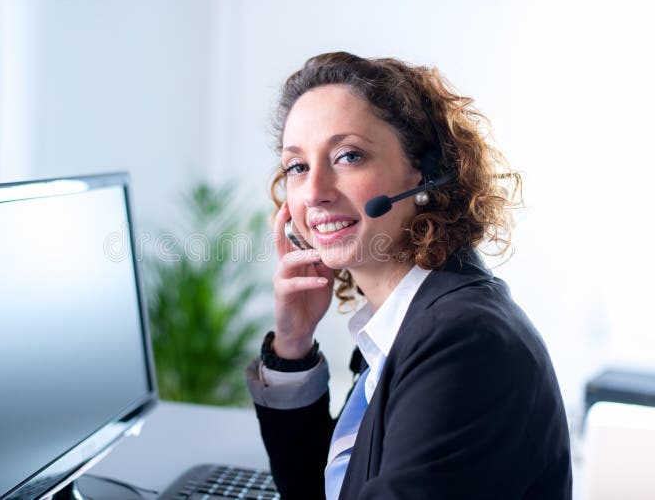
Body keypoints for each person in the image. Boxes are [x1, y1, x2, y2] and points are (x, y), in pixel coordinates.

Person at [245, 52, 572, 499]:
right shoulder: (406, 322)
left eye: (348, 156)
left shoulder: (462, 341)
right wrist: (293, 347)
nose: (315, 192)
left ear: (426, 173)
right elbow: (316, 491)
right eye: (297, 167)